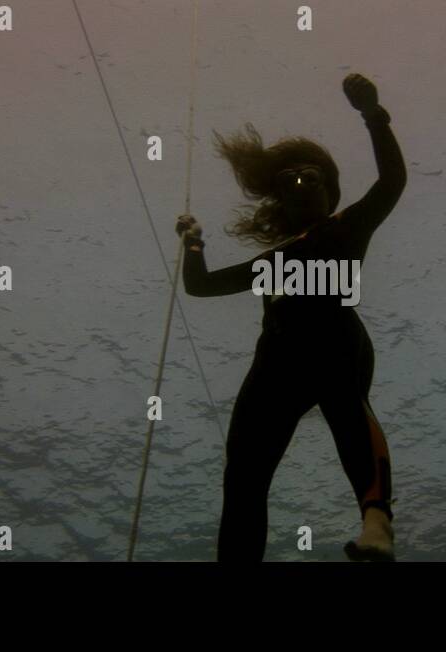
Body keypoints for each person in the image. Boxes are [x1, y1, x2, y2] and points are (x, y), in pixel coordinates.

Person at [175, 73, 406, 561]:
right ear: (279, 199)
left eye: (311, 176)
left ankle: (376, 520)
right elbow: (199, 286)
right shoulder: (273, 261)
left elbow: (391, 182)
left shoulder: (347, 227)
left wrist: (373, 114)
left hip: (335, 341)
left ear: (331, 192)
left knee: (345, 404)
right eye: (290, 181)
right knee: (242, 474)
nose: (300, 185)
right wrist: (193, 242)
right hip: (276, 362)